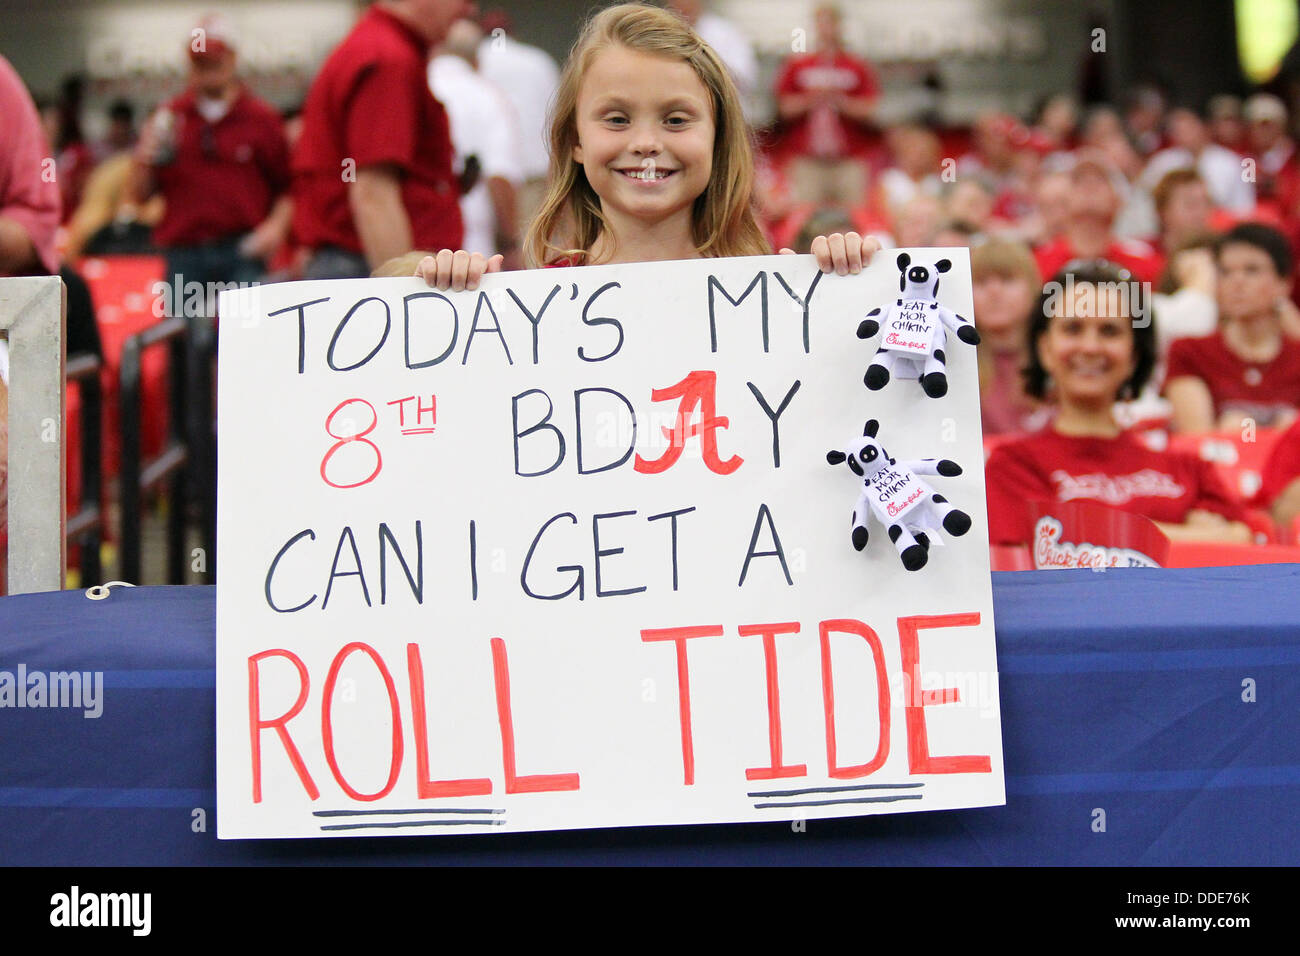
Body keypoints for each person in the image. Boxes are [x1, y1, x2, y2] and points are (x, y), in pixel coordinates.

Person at [416, 3, 878, 290]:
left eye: (676, 120)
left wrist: (849, 279)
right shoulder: (532, 301)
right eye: (616, 119)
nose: (646, 143)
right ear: (575, 139)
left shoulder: (773, 288)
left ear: (718, 139)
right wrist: (451, 296)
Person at [985, 262, 1252, 546]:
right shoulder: (1014, 466)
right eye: (1073, 329)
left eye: (1110, 331)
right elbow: (1043, 552)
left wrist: (1094, 530)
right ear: (1045, 348)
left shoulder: (1190, 470)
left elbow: (1243, 542)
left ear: (1134, 353)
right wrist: (1188, 536)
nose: (1090, 347)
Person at [292, 0, 469, 278]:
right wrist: (402, 298)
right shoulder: (389, 56)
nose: (468, 10)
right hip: (366, 268)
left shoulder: (377, 45)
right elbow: (373, 194)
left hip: (351, 263)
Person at [131, 15, 291, 297]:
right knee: (183, 337)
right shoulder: (169, 118)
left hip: (243, 250)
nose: (208, 67)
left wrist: (275, 229)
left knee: (245, 336)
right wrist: (143, 158)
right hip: (184, 252)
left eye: (215, 58)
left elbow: (290, 187)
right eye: (200, 60)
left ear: (232, 58)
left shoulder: (262, 119)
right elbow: (140, 195)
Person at [1165, 223, 1300, 432]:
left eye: (1251, 270)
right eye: (1225, 272)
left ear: (1283, 283)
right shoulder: (1190, 352)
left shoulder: (1295, 358)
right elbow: (1196, 438)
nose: (1237, 282)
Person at [429, 18, 524, 268]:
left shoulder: (415, 87)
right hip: (473, 246)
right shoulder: (488, 96)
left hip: (414, 241)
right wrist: (511, 243)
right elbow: (499, 176)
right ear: (477, 59)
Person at [771, 2, 878, 207]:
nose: (827, 28)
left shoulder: (856, 65)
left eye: (831, 22)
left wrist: (840, 101)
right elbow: (784, 107)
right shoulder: (798, 64)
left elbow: (870, 108)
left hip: (849, 159)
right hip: (807, 159)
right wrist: (812, 99)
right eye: (822, 22)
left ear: (840, 26)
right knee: (804, 215)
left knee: (854, 216)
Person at [477, 9, 561, 235]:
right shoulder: (537, 60)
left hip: (484, 176)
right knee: (527, 241)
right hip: (532, 170)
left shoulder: (476, 61)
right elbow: (556, 114)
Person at [970, 241, 1049, 435]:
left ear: (1032, 289)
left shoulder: (1055, 360)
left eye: (1007, 280)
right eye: (980, 282)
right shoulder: (953, 363)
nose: (994, 292)